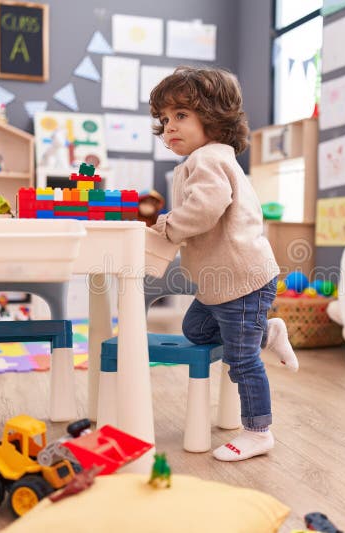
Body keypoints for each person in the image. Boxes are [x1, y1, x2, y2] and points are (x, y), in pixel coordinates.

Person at [149, 66, 298, 462]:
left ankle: (258, 430)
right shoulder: (205, 159)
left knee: (241, 359)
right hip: (222, 283)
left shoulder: (208, 160)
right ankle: (265, 331)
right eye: (164, 120)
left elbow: (204, 210)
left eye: (181, 115)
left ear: (212, 116)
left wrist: (167, 226)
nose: (169, 127)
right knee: (195, 328)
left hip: (241, 280)